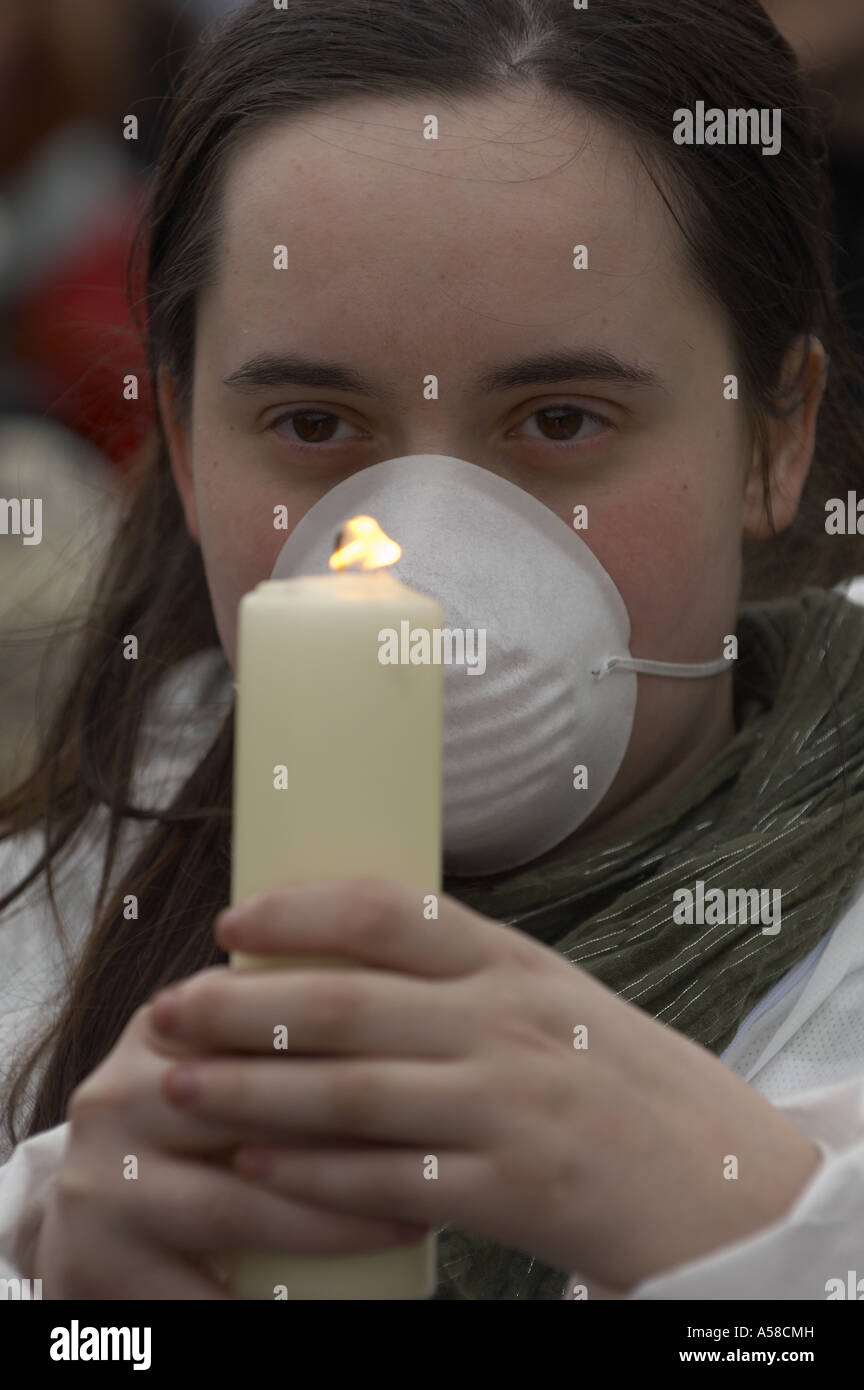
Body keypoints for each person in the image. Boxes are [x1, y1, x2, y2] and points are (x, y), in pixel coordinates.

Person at [2, 0, 864, 1302]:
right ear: (181, 446)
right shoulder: (41, 943)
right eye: (311, 421)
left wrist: (763, 1241)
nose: (411, 557)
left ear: (776, 436)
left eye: (561, 418)